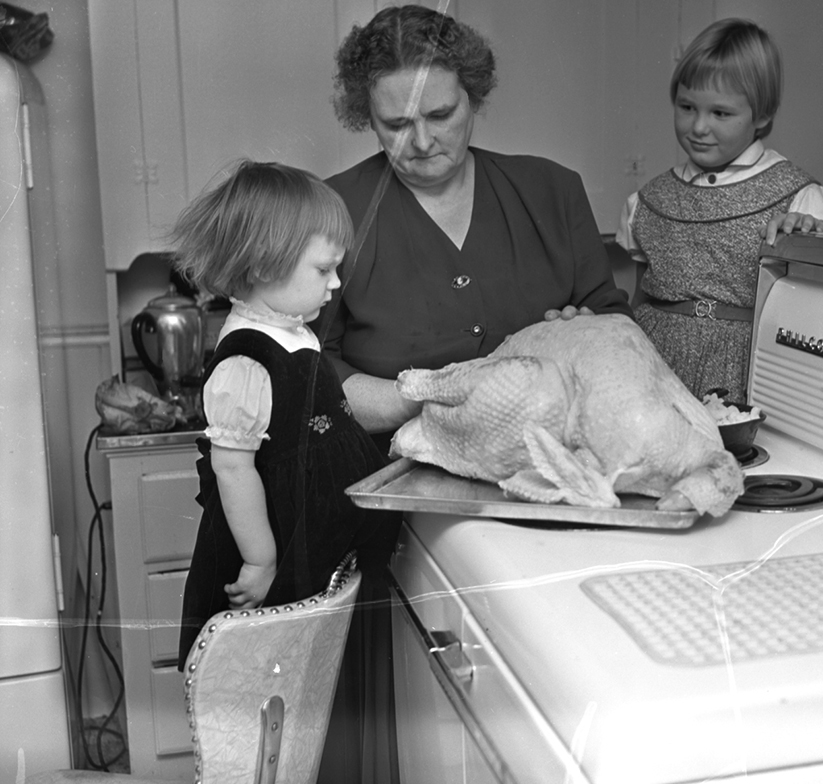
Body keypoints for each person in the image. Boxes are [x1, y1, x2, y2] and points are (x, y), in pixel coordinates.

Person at [318, 3, 632, 454]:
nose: (423, 143)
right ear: (366, 117)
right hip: (392, 473)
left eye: (440, 115)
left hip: (548, 458)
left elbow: (613, 323)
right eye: (397, 124)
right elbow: (310, 368)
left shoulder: (553, 190)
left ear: (473, 96)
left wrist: (585, 332)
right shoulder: (333, 211)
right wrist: (422, 397)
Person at [171, 160, 399, 695]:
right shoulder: (246, 360)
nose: (336, 283)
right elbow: (233, 469)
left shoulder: (295, 331)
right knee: (273, 682)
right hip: (282, 548)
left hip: (320, 542)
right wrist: (260, 557)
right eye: (323, 270)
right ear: (260, 266)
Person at [616, 18, 823, 403]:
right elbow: (639, 300)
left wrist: (808, 241)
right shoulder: (649, 201)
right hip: (655, 371)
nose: (698, 126)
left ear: (761, 116)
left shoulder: (799, 199)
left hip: (747, 371)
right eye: (686, 107)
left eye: (721, 114)